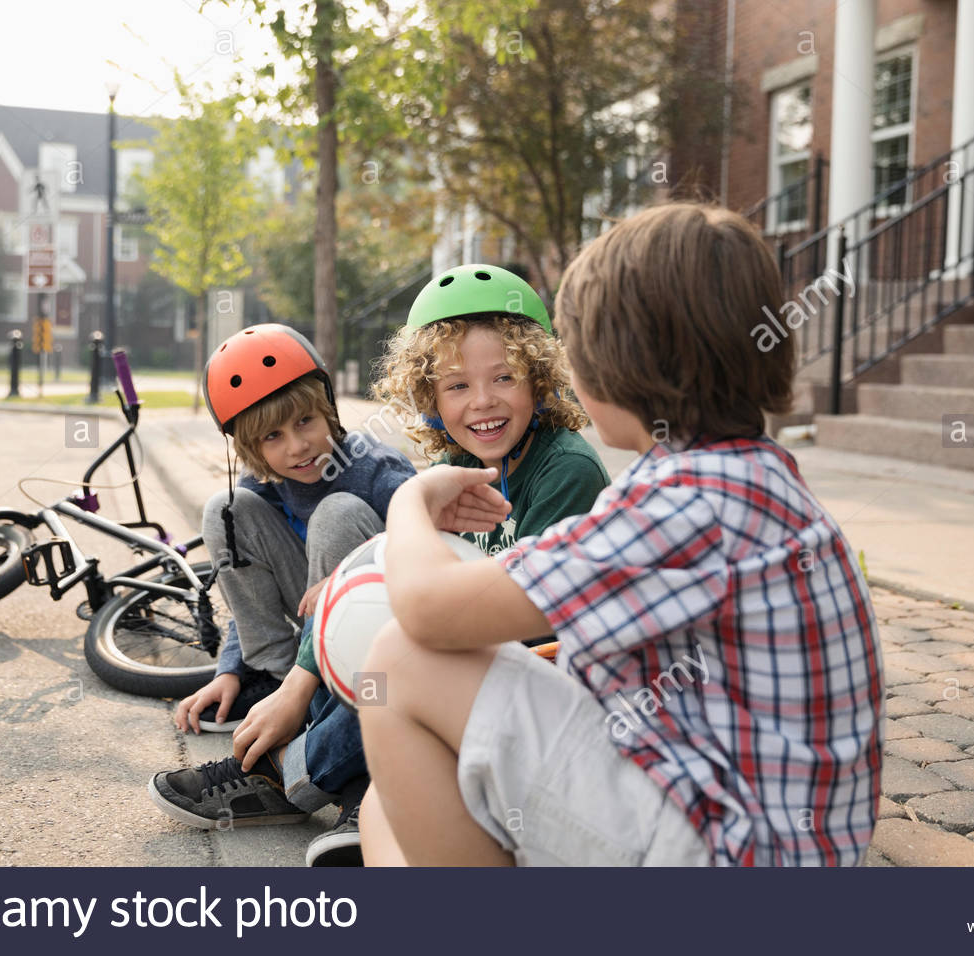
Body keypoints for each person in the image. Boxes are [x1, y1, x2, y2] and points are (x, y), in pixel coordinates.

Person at [357, 204, 884, 867]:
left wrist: (410, 499)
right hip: (755, 825)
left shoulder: (684, 504)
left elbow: (427, 610)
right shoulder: (748, 474)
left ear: (624, 366)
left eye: (576, 345)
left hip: (726, 850)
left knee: (398, 662)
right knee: (385, 807)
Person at [223, 264, 610, 865]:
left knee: (404, 653)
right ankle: (316, 762)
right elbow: (383, 562)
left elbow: (518, 619)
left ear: (540, 378)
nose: (482, 402)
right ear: (430, 396)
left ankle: (283, 775)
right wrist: (299, 682)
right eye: (456, 386)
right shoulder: (456, 461)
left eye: (504, 377)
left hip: (543, 674)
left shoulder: (566, 470)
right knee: (369, 615)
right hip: (487, 660)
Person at [147, 324, 414, 831]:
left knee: (336, 513)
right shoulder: (264, 482)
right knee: (226, 508)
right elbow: (251, 581)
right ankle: (269, 680)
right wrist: (229, 667)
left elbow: (426, 542)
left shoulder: (373, 467)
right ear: (249, 448)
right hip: (307, 633)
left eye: (306, 421)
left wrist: (347, 579)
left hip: (372, 629)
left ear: (329, 408)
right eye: (273, 436)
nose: (298, 446)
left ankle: (315, 708)